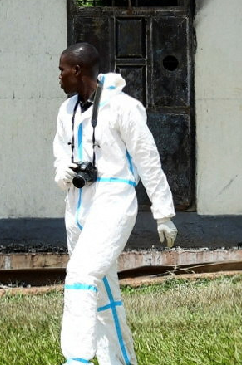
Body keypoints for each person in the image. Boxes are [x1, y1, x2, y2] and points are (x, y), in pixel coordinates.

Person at [53, 42, 178, 365]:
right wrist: (62, 170)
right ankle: (121, 361)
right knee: (104, 295)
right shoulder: (66, 111)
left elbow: (147, 159)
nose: (59, 77)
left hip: (112, 203)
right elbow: (60, 152)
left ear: (77, 71)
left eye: (62, 70)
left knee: (80, 276)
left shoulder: (123, 107)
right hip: (77, 205)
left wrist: (163, 213)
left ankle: (76, 358)